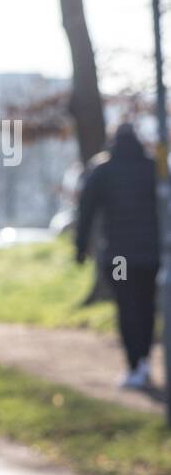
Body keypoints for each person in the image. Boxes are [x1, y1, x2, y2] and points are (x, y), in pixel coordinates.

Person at [75, 123, 160, 389]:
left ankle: (134, 364)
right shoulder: (153, 168)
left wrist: (79, 248)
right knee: (146, 306)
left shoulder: (103, 170)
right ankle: (144, 359)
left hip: (119, 256)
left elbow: (85, 211)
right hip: (150, 253)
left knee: (127, 307)